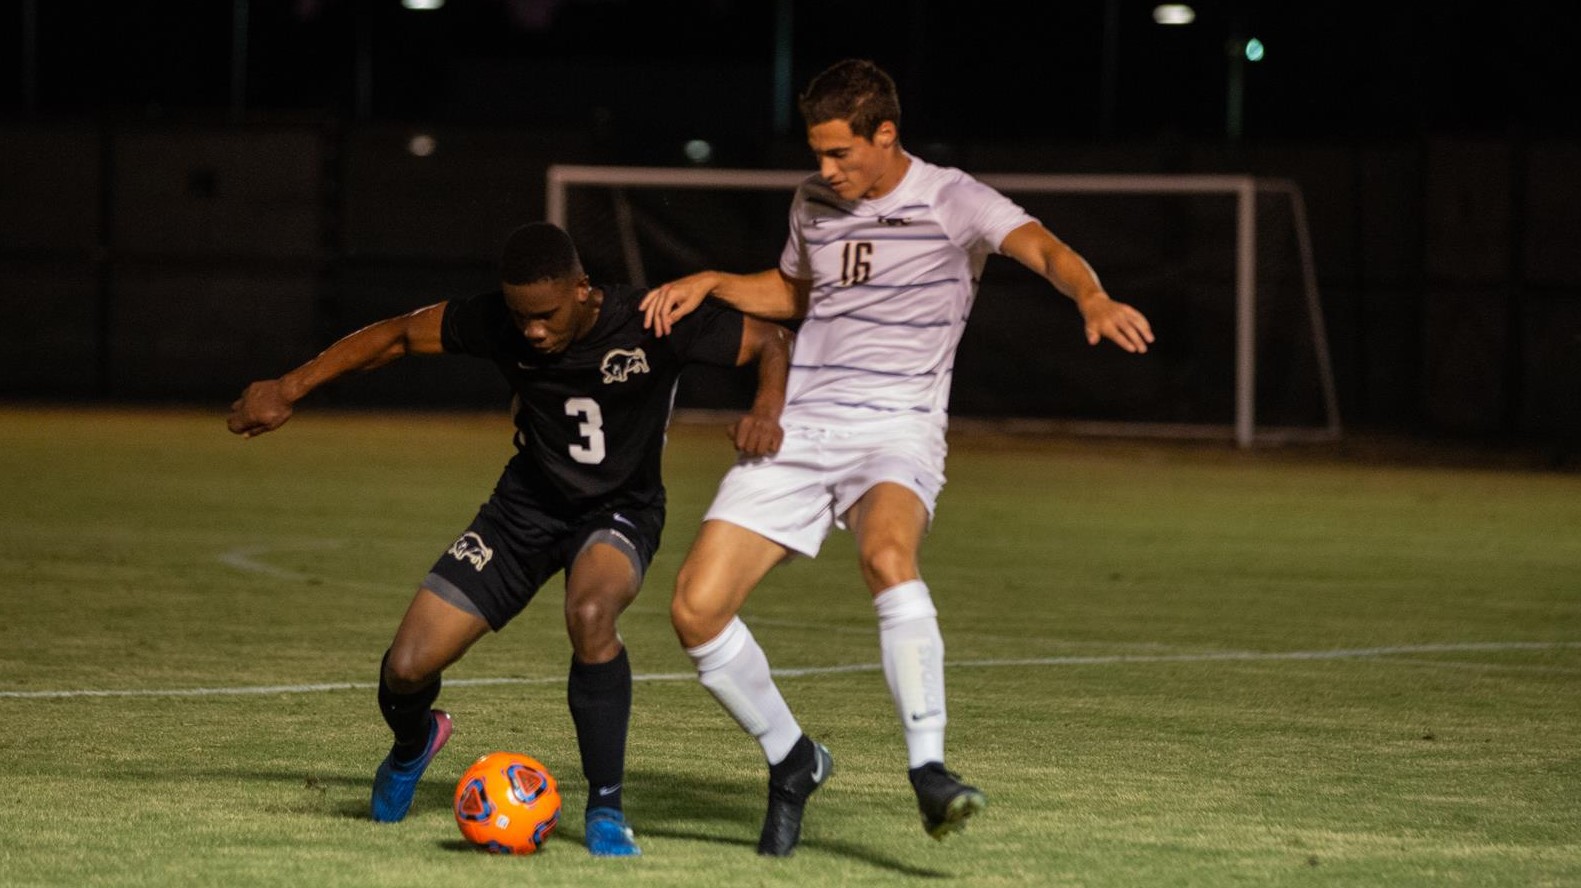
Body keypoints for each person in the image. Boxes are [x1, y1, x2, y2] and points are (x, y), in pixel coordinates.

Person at [640, 59, 1154, 856]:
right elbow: (799, 291)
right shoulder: (813, 201)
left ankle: (928, 770)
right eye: (817, 152)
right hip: (803, 430)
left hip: (896, 429)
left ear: (886, 134)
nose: (826, 168)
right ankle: (793, 758)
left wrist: (1090, 295)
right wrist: (712, 281)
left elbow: (1045, 250)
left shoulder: (953, 199)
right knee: (695, 609)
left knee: (887, 556)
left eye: (841, 152)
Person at [228, 221, 793, 857]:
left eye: (546, 315)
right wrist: (288, 388)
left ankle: (606, 806)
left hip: (621, 509)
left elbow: (773, 339)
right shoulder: (498, 319)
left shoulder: (651, 318)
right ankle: (416, 744)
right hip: (523, 511)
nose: (532, 330)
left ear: (582, 290)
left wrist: (768, 407)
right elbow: (395, 335)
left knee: (590, 611)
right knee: (407, 667)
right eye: (521, 316)